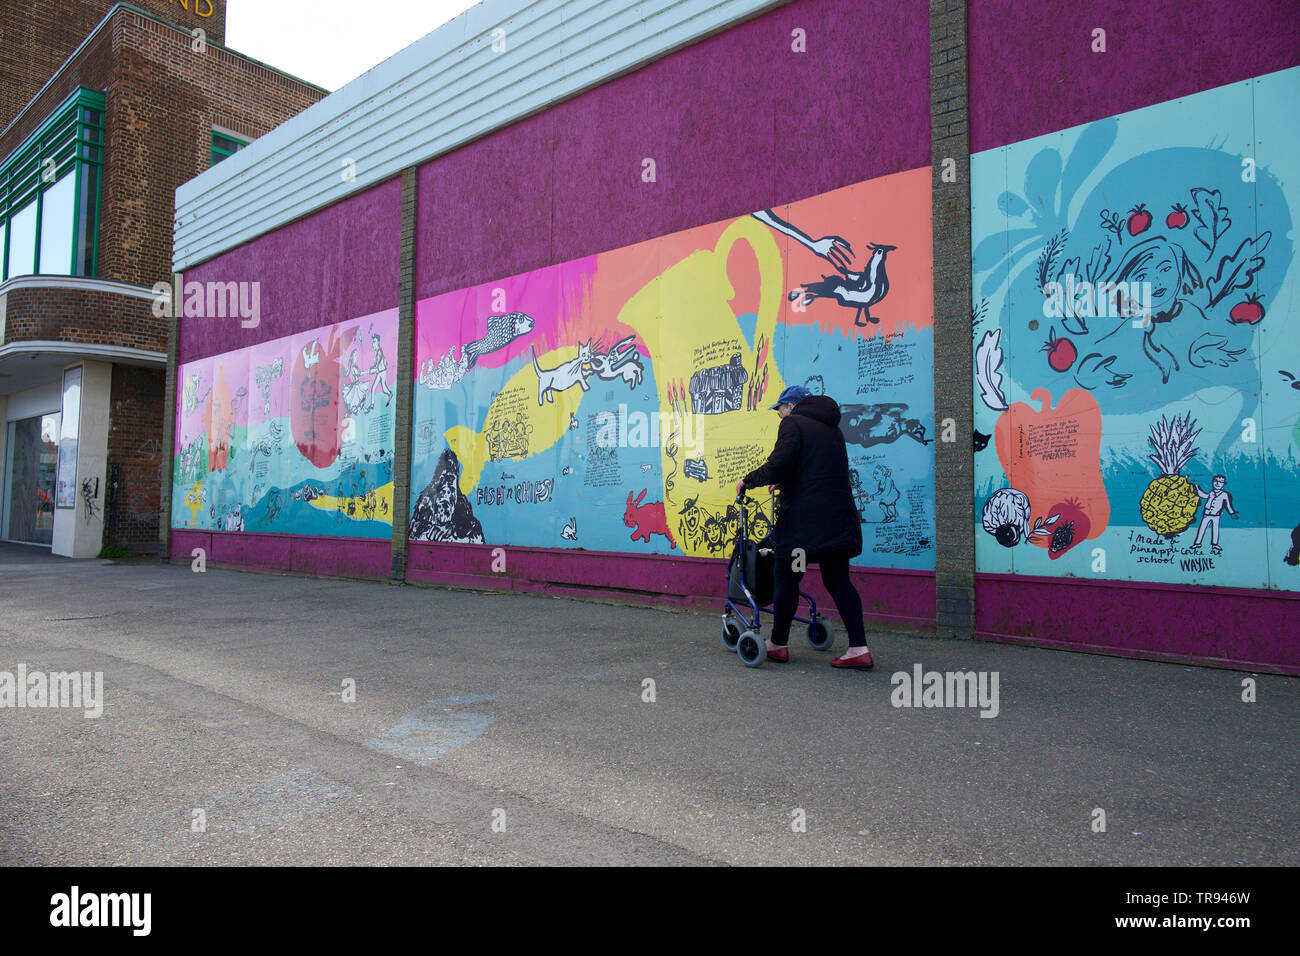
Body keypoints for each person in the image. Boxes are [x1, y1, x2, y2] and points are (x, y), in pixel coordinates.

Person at [736, 384, 874, 669]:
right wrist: (785, 481)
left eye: (781, 410)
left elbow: (779, 463)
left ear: (792, 406)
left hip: (803, 528)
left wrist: (748, 480)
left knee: (787, 577)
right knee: (838, 581)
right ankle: (859, 648)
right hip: (835, 523)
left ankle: (778, 643)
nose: (781, 417)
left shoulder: (793, 424)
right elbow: (814, 470)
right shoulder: (832, 430)